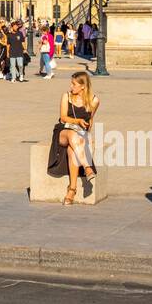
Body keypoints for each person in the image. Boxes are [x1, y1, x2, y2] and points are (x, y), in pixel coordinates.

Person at [49, 71, 99, 204]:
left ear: (83, 86)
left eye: (74, 84)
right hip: (63, 132)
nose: (71, 87)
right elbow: (63, 117)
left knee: (73, 152)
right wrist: (77, 122)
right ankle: (87, 167)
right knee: (71, 135)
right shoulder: (66, 96)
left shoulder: (94, 101)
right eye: (71, 83)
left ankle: (72, 190)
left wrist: (87, 134)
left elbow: (91, 119)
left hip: (79, 135)